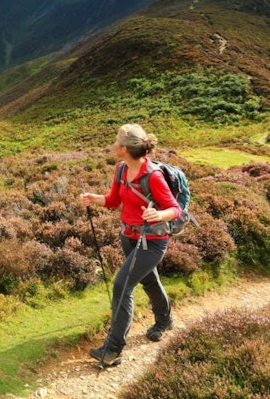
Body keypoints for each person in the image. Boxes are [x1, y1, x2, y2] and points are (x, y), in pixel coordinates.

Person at [79, 123, 181, 367]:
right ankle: (164, 320)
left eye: (116, 141)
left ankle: (113, 350)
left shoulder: (153, 176)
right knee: (149, 280)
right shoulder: (121, 169)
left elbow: (175, 209)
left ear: (124, 148)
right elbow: (113, 200)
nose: (114, 145)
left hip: (152, 242)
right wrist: (94, 198)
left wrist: (158, 215)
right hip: (129, 236)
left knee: (121, 286)